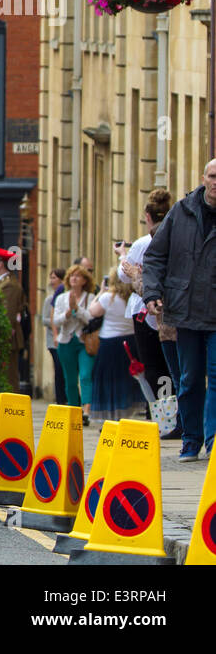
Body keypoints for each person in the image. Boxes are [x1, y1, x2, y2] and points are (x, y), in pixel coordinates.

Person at [143, 159, 216, 461]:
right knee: (189, 378)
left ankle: (212, 441)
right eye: (213, 176)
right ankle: (191, 439)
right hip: (184, 310)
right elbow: (155, 256)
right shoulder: (182, 211)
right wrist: (152, 292)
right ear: (203, 178)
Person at [116, 189, 174, 407]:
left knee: (153, 365)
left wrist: (123, 258)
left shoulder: (142, 243)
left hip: (146, 310)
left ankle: (163, 412)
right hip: (170, 311)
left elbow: (123, 274)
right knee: (170, 366)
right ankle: (169, 412)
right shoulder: (174, 238)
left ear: (147, 216)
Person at [86, 271, 144, 422]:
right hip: (130, 343)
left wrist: (100, 293)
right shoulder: (134, 297)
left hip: (109, 343)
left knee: (108, 379)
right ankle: (127, 412)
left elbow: (93, 311)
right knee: (125, 378)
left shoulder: (107, 298)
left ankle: (109, 415)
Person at [52, 264, 97, 425]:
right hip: (66, 342)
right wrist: (68, 312)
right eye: (71, 275)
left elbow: (91, 319)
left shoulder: (90, 298)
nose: (74, 278)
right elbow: (56, 320)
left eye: (78, 276)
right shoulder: (61, 298)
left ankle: (86, 410)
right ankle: (73, 410)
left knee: (85, 375)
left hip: (84, 342)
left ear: (84, 280)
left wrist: (77, 309)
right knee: (70, 379)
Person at [0, 247, 24, 392]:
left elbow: (8, 313)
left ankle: (13, 406)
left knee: (9, 376)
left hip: (8, 337)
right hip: (3, 336)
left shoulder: (9, 285)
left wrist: (3, 334)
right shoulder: (1, 282)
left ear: (1, 264)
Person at [41, 267, 68, 405]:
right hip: (53, 341)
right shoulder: (50, 299)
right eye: (51, 278)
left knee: (66, 370)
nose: (52, 281)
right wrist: (57, 321)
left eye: (54, 278)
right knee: (59, 369)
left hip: (65, 337)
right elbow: (44, 319)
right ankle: (60, 399)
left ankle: (66, 397)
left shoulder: (66, 298)